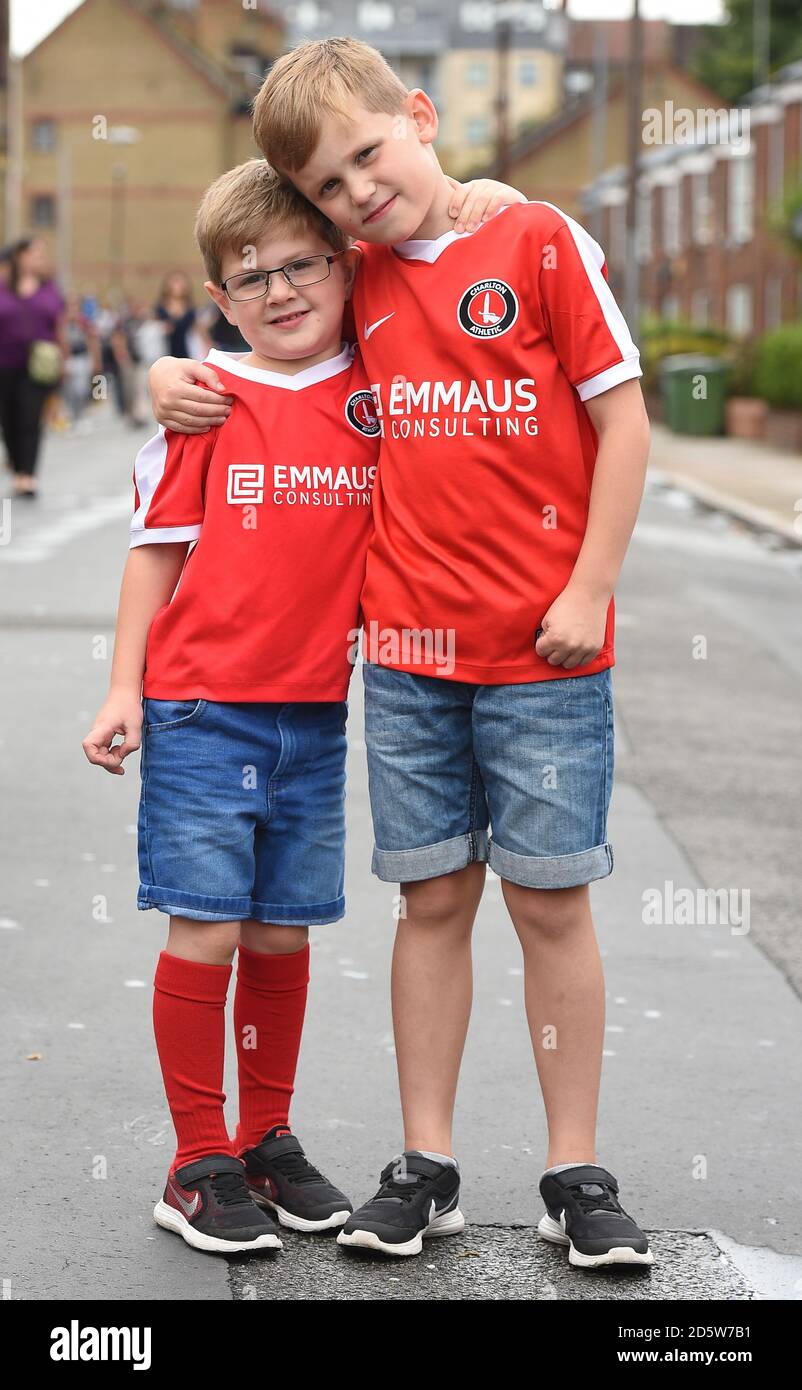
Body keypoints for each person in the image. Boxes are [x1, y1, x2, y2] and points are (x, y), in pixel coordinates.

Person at [148, 38, 653, 1271]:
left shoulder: (534, 240)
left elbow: (622, 416)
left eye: (369, 154)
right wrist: (170, 368)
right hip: (412, 659)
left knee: (548, 904)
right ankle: (422, 1164)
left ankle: (572, 1167)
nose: (357, 190)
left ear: (420, 118)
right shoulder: (356, 275)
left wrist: (591, 586)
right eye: (331, 184)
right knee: (430, 903)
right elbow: (269, 306)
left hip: (546, 649)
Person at [81, 158, 380, 1255]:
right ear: (218, 298)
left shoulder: (376, 390)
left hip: (316, 712)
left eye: (304, 263)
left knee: (278, 928)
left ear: (347, 267)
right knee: (205, 926)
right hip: (204, 708)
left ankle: (265, 1138)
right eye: (250, 276)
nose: (281, 289)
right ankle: (195, 1160)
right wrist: (125, 685)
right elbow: (153, 552)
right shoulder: (205, 399)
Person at [0, 235, 65, 499]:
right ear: (20, 256)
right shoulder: (4, 285)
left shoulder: (49, 288)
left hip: (39, 366)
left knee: (29, 418)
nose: (40, 258)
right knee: (8, 420)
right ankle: (16, 465)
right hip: (4, 363)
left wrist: (65, 360)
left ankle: (27, 474)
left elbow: (58, 327)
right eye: (35, 253)